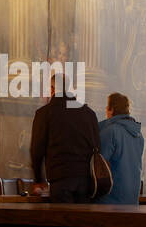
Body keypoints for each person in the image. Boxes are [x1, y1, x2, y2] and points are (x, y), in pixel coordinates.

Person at [97, 92, 144, 227]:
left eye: (107, 107)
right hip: (131, 190)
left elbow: (101, 161)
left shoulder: (111, 131)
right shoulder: (137, 132)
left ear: (111, 109)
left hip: (113, 191)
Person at [29, 75, 100, 203]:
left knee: (63, 220)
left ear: (52, 89)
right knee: (83, 221)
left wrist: (39, 180)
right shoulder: (88, 113)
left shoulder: (44, 113)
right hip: (85, 181)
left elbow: (37, 150)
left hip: (60, 179)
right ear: (68, 88)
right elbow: (97, 147)